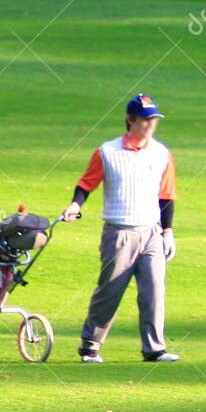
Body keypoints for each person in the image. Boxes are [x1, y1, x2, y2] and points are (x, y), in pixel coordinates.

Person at [62, 93, 180, 364]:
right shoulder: (107, 152)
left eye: (154, 120)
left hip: (151, 231)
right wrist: (75, 205)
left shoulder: (162, 154)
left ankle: (154, 348)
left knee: (154, 291)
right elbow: (86, 184)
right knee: (110, 290)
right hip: (119, 233)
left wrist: (168, 231)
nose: (150, 125)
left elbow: (167, 195)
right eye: (145, 120)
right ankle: (90, 345)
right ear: (130, 120)